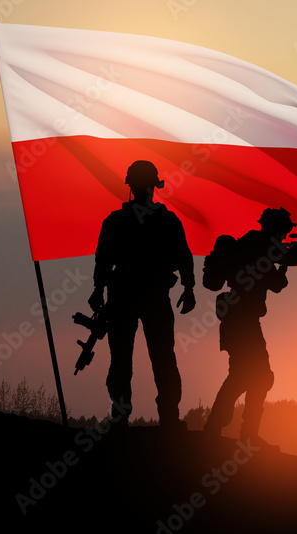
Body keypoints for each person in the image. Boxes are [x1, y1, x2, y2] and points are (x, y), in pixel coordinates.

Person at [88, 160, 195, 430]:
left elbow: (183, 256)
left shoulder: (127, 221)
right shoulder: (131, 221)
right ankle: (133, 415)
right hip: (133, 297)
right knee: (132, 357)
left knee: (156, 357)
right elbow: (103, 259)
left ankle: (161, 415)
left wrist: (189, 287)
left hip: (140, 296)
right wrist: (98, 288)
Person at [203, 207, 295, 444]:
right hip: (241, 321)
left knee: (252, 376)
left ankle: (235, 430)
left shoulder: (257, 245)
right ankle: (237, 431)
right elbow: (276, 284)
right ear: (274, 228)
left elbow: (272, 282)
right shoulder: (258, 246)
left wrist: (286, 260)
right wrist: (285, 265)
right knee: (253, 376)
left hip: (242, 320)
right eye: (283, 231)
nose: (285, 236)